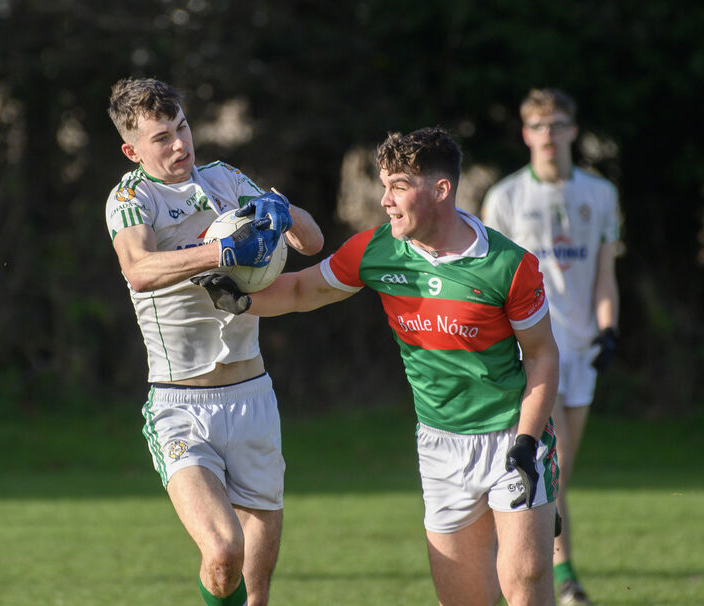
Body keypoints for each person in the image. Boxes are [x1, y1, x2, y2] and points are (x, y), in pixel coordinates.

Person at [194, 126, 561, 606]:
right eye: (384, 185)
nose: (385, 200)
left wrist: (527, 443)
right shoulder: (377, 249)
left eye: (399, 187)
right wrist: (239, 299)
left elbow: (542, 354)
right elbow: (303, 290)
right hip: (440, 446)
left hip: (511, 436)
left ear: (441, 189)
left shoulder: (508, 265)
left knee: (525, 583)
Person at [104, 77, 324, 606]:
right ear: (133, 151)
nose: (180, 144)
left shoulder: (226, 178)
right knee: (224, 552)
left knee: (257, 590)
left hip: (253, 398)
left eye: (182, 128)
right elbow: (138, 269)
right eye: (161, 138)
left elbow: (312, 241)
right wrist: (219, 252)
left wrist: (282, 210)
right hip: (181, 404)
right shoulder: (132, 197)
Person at [481, 88, 620, 606]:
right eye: (538, 126)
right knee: (546, 470)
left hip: (581, 352)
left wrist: (608, 329)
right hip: (534, 352)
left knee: (559, 475)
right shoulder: (505, 197)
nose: (548, 135)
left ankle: (523, 563)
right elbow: (489, 282)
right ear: (525, 133)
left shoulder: (600, 194)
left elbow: (605, 274)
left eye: (557, 124)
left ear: (573, 131)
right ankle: (562, 581)